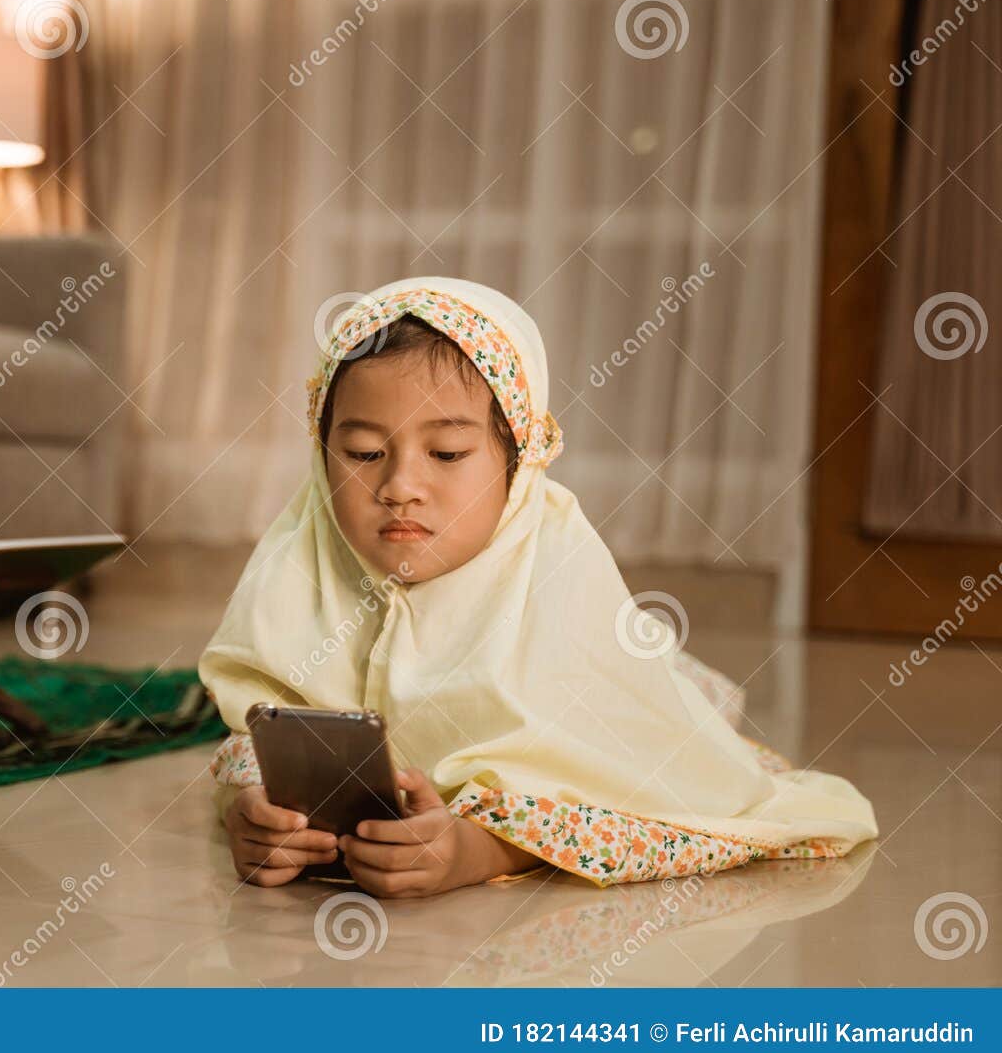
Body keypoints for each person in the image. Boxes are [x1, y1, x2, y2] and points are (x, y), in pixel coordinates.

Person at [199, 278, 878, 896]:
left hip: (616, 672)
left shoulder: (555, 578)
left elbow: (610, 788)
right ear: (321, 459)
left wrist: (479, 849)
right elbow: (253, 730)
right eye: (364, 453)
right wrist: (255, 814)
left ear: (518, 462)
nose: (400, 486)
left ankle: (686, 677)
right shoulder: (300, 565)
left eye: (448, 454)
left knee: (676, 700)